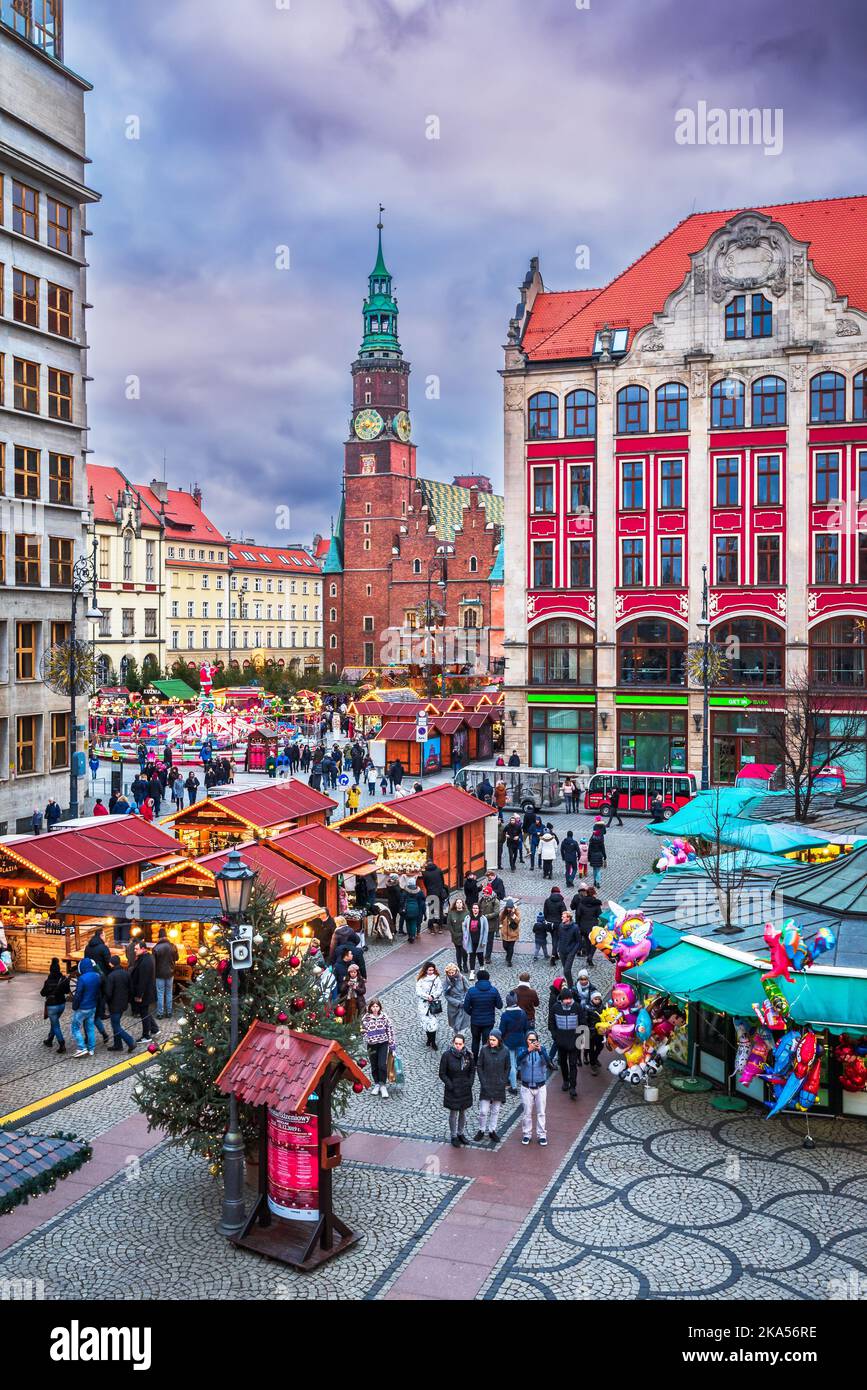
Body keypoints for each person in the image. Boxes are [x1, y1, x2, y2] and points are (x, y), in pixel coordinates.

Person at [516, 1030, 555, 1146]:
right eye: (530, 1040)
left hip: (540, 1086)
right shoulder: (522, 1050)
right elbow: (518, 1060)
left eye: (534, 1040)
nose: (532, 1042)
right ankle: (526, 1134)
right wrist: (528, 1050)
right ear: (526, 1041)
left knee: (541, 1112)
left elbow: (548, 1062)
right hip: (526, 1086)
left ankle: (542, 1135)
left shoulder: (541, 1050)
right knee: (527, 1112)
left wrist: (541, 1052)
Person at [474, 1029, 510, 1145]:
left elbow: (508, 1067)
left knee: (495, 1110)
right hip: (486, 1084)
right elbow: (479, 1066)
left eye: (494, 1040)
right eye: (490, 1040)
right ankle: (481, 1129)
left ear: (499, 1040)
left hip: (498, 1085)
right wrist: (483, 1080)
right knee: (483, 1111)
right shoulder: (484, 1050)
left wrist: (503, 1080)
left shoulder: (505, 1051)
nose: (492, 1042)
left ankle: (492, 1130)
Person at [439, 1033, 475, 1147]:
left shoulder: (468, 1055)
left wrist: (470, 1082)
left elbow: (472, 1071)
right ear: (453, 1043)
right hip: (453, 1089)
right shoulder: (446, 1056)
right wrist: (450, 1085)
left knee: (463, 1112)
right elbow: (442, 1073)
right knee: (453, 1113)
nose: (458, 1046)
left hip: (465, 1088)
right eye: (456, 1044)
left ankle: (461, 1133)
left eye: (460, 1044)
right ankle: (454, 1135)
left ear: (463, 1044)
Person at [550, 986, 584, 1099]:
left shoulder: (577, 1007)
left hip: (574, 1042)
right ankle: (565, 1081)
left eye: (570, 998)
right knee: (563, 1063)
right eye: (566, 999)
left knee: (573, 1064)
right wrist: (555, 1037)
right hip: (561, 1042)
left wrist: (580, 1038)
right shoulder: (555, 1008)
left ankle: (573, 1087)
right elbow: (551, 1023)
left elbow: (583, 1023)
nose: (568, 1001)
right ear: (561, 999)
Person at [462, 968, 503, 1061]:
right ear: (488, 978)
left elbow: (466, 1007)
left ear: (477, 978)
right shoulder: (493, 991)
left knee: (475, 1041)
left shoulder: (471, 991)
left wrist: (472, 1013)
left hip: (475, 1021)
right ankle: (485, 1060)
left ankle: (475, 1061)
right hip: (488, 1022)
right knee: (486, 1042)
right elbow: (500, 1005)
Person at [360, 999, 395, 1097]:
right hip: (372, 1045)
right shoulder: (366, 1018)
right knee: (374, 1065)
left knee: (382, 1065)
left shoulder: (384, 1017)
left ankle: (383, 1085)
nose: (375, 1008)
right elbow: (362, 1031)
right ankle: (376, 1084)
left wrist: (392, 1046)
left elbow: (390, 1030)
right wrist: (367, 1038)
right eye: (373, 1006)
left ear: (379, 1007)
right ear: (370, 1007)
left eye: (377, 1006)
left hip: (383, 1043)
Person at [70, 957, 103, 1057]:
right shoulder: (97, 976)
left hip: (82, 1008)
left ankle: (81, 1048)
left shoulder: (82, 979)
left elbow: (78, 995)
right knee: (90, 1028)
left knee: (75, 1027)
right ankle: (91, 1049)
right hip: (93, 1007)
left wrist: (75, 1006)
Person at [498, 991, 529, 1094]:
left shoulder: (505, 1015)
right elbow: (526, 1028)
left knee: (512, 1064)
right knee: (518, 1060)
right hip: (520, 1040)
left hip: (509, 1041)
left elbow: (501, 1030)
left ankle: (514, 1087)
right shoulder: (523, 1013)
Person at [103, 955, 136, 1053]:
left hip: (114, 1005)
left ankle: (130, 1042)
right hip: (123, 1004)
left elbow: (108, 993)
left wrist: (105, 1002)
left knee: (116, 1026)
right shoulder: (126, 974)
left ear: (112, 964)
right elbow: (131, 989)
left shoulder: (111, 976)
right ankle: (118, 1045)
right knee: (116, 1023)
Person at [130, 941, 159, 1041]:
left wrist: (139, 995)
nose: (134, 951)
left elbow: (143, 980)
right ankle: (154, 1029)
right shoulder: (145, 958)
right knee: (144, 1011)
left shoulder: (145, 961)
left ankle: (146, 1035)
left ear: (143, 949)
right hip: (147, 991)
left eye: (136, 949)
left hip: (145, 993)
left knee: (144, 1013)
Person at [40, 958, 70, 1052]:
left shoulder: (48, 981)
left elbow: (42, 993)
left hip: (52, 1006)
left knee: (56, 1025)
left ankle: (62, 1044)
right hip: (61, 1005)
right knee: (54, 1023)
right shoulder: (63, 979)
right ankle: (49, 1040)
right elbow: (67, 991)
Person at [416, 961, 444, 1049]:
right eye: (429, 970)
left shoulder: (436, 978)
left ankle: (433, 1041)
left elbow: (440, 989)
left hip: (433, 1004)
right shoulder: (421, 979)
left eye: (432, 970)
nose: (431, 972)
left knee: (433, 1023)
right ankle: (429, 1039)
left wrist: (433, 996)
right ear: (425, 970)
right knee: (425, 1023)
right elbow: (418, 991)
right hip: (423, 1005)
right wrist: (427, 996)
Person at [153, 927, 179, 1018]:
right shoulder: (173, 946)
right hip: (170, 974)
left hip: (159, 974)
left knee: (160, 993)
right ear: (166, 936)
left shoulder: (156, 948)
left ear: (159, 937)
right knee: (169, 993)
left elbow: (154, 963)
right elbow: (177, 958)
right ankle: (169, 1012)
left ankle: (160, 1013)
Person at [443, 961, 471, 1034]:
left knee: (463, 1024)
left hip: (463, 1004)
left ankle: (460, 1038)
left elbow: (468, 990)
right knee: (455, 1024)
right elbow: (446, 995)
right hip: (453, 1006)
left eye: (453, 972)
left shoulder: (462, 978)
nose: (451, 974)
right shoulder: (446, 981)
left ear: (456, 971)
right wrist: (457, 1003)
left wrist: (465, 1001)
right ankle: (457, 1039)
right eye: (450, 973)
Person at [462, 901, 488, 977]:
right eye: (474, 908)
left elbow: (486, 930)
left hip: (479, 940)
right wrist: (465, 935)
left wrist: (484, 941)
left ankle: (482, 967)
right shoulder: (468, 917)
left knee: (480, 955)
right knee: (471, 955)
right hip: (471, 940)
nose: (475, 909)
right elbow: (464, 926)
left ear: (479, 909)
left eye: (476, 908)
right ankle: (472, 972)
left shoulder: (483, 918)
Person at [556, 910, 581, 987]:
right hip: (562, 951)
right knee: (566, 970)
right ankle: (570, 984)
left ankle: (571, 986)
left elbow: (578, 941)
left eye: (563, 917)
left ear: (568, 918)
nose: (561, 918)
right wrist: (558, 948)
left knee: (566, 971)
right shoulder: (561, 926)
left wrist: (573, 952)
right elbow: (559, 937)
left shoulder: (575, 927)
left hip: (570, 952)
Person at [577, 886, 602, 963]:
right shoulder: (596, 904)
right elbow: (599, 915)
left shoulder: (581, 903)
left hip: (583, 926)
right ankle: (590, 956)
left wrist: (579, 925)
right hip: (593, 926)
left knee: (587, 942)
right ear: (593, 894)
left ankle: (588, 955)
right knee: (595, 942)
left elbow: (578, 914)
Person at [543, 884, 565, 963]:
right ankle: (553, 954)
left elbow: (545, 912)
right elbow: (564, 913)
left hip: (549, 924)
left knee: (554, 938)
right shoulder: (561, 902)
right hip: (558, 924)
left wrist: (547, 920)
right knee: (557, 939)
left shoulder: (547, 901)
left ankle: (555, 954)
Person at [421, 859, 447, 927]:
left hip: (431, 893)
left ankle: (431, 926)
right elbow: (442, 881)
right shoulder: (439, 870)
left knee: (432, 910)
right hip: (440, 892)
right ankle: (440, 925)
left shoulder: (425, 873)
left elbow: (425, 884)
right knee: (440, 909)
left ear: (426, 864)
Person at [445, 895, 468, 970]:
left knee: (464, 951)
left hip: (464, 936)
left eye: (460, 902)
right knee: (458, 951)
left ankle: (465, 964)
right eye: (457, 903)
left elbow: (469, 924)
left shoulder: (467, 913)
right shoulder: (451, 913)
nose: (459, 904)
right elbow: (449, 924)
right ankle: (459, 965)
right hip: (455, 936)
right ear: (455, 904)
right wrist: (453, 933)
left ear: (463, 904)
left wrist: (464, 934)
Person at [480, 884, 500, 964]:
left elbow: (496, 912)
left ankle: (488, 957)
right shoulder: (482, 899)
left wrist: (486, 916)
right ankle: (480, 955)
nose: (485, 894)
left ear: (490, 893)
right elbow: (477, 907)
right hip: (482, 924)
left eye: (487, 893)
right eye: (484, 893)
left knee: (489, 941)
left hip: (491, 924)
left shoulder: (495, 901)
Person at [499, 898, 521, 967]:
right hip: (505, 933)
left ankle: (509, 960)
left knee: (511, 948)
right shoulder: (505, 911)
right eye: (508, 907)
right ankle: (508, 954)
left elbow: (518, 920)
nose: (509, 909)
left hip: (513, 933)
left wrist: (513, 915)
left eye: (510, 908)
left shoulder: (516, 911)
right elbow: (500, 918)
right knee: (505, 946)